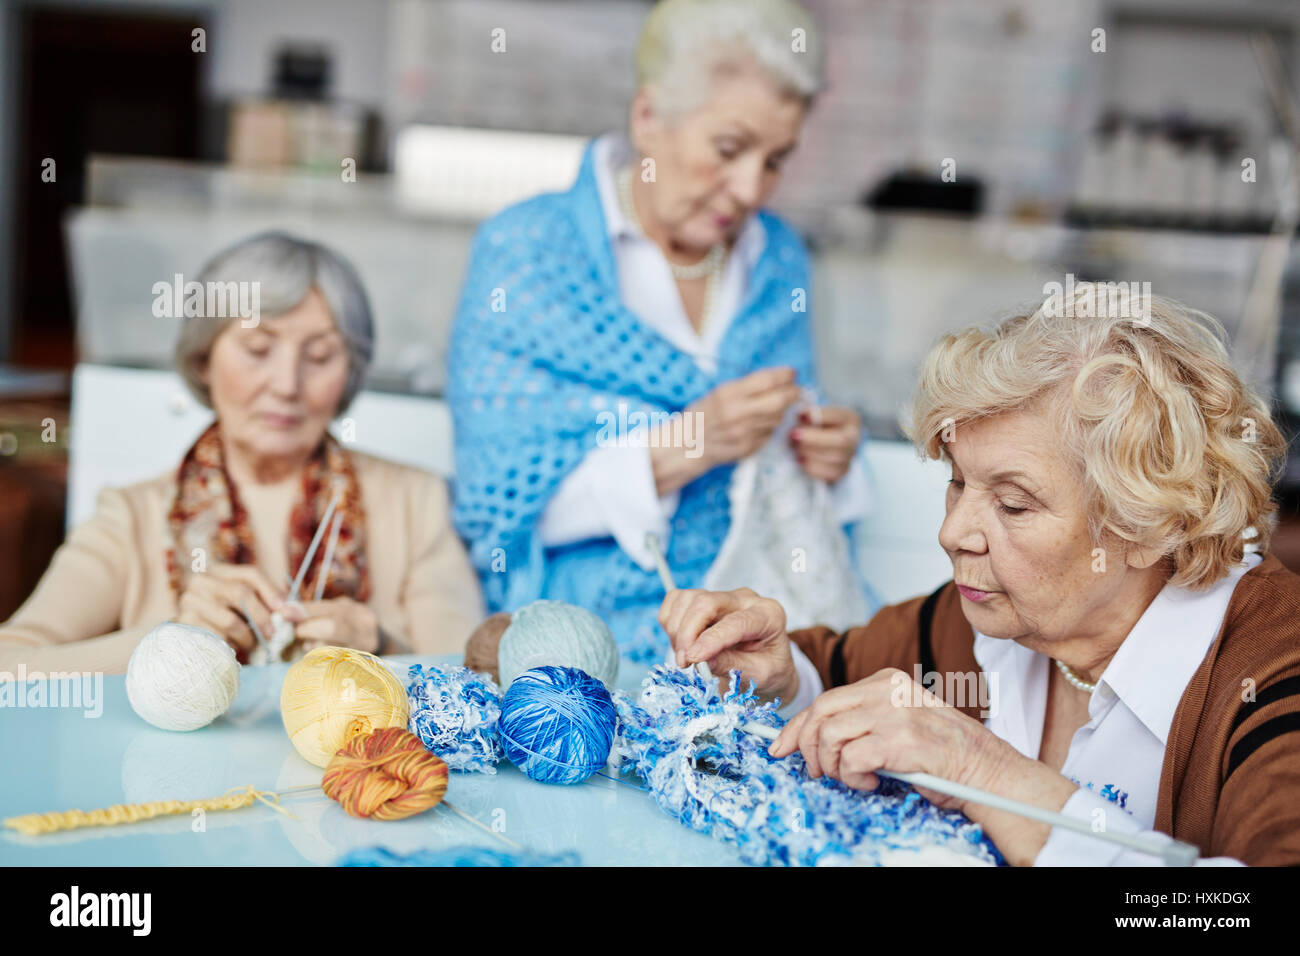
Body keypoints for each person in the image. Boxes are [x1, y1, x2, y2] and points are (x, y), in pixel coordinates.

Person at [659, 285, 1300, 865]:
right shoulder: (988, 618)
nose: (953, 533)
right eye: (957, 483)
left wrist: (984, 772)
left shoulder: (1276, 671)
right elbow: (840, 671)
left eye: (1013, 504)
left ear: (1149, 526)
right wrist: (776, 674)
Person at [448, 0, 870, 661]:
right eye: (729, 149)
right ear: (648, 118)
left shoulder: (779, 258)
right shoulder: (529, 250)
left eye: (776, 160)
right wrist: (690, 444)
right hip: (590, 649)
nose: (751, 188)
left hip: (762, 649)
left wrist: (831, 457)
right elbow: (499, 513)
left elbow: (800, 500)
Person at [0, 232, 483, 673]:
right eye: (256, 349)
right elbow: (10, 669)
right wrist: (163, 646)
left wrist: (383, 647)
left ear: (350, 374)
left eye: (319, 357)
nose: (287, 385)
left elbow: (476, 680)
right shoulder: (130, 517)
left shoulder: (415, 501)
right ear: (204, 359)